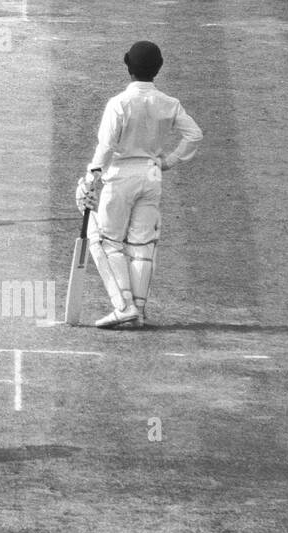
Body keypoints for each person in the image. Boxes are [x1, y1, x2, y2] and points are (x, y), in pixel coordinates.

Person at [75, 41, 203, 329]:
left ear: (127, 65)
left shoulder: (119, 103)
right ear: (158, 69)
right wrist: (167, 161)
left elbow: (106, 147)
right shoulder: (169, 104)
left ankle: (123, 306)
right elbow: (194, 135)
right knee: (142, 244)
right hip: (152, 176)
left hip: (120, 176)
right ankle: (139, 311)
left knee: (105, 241)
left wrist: (91, 177)